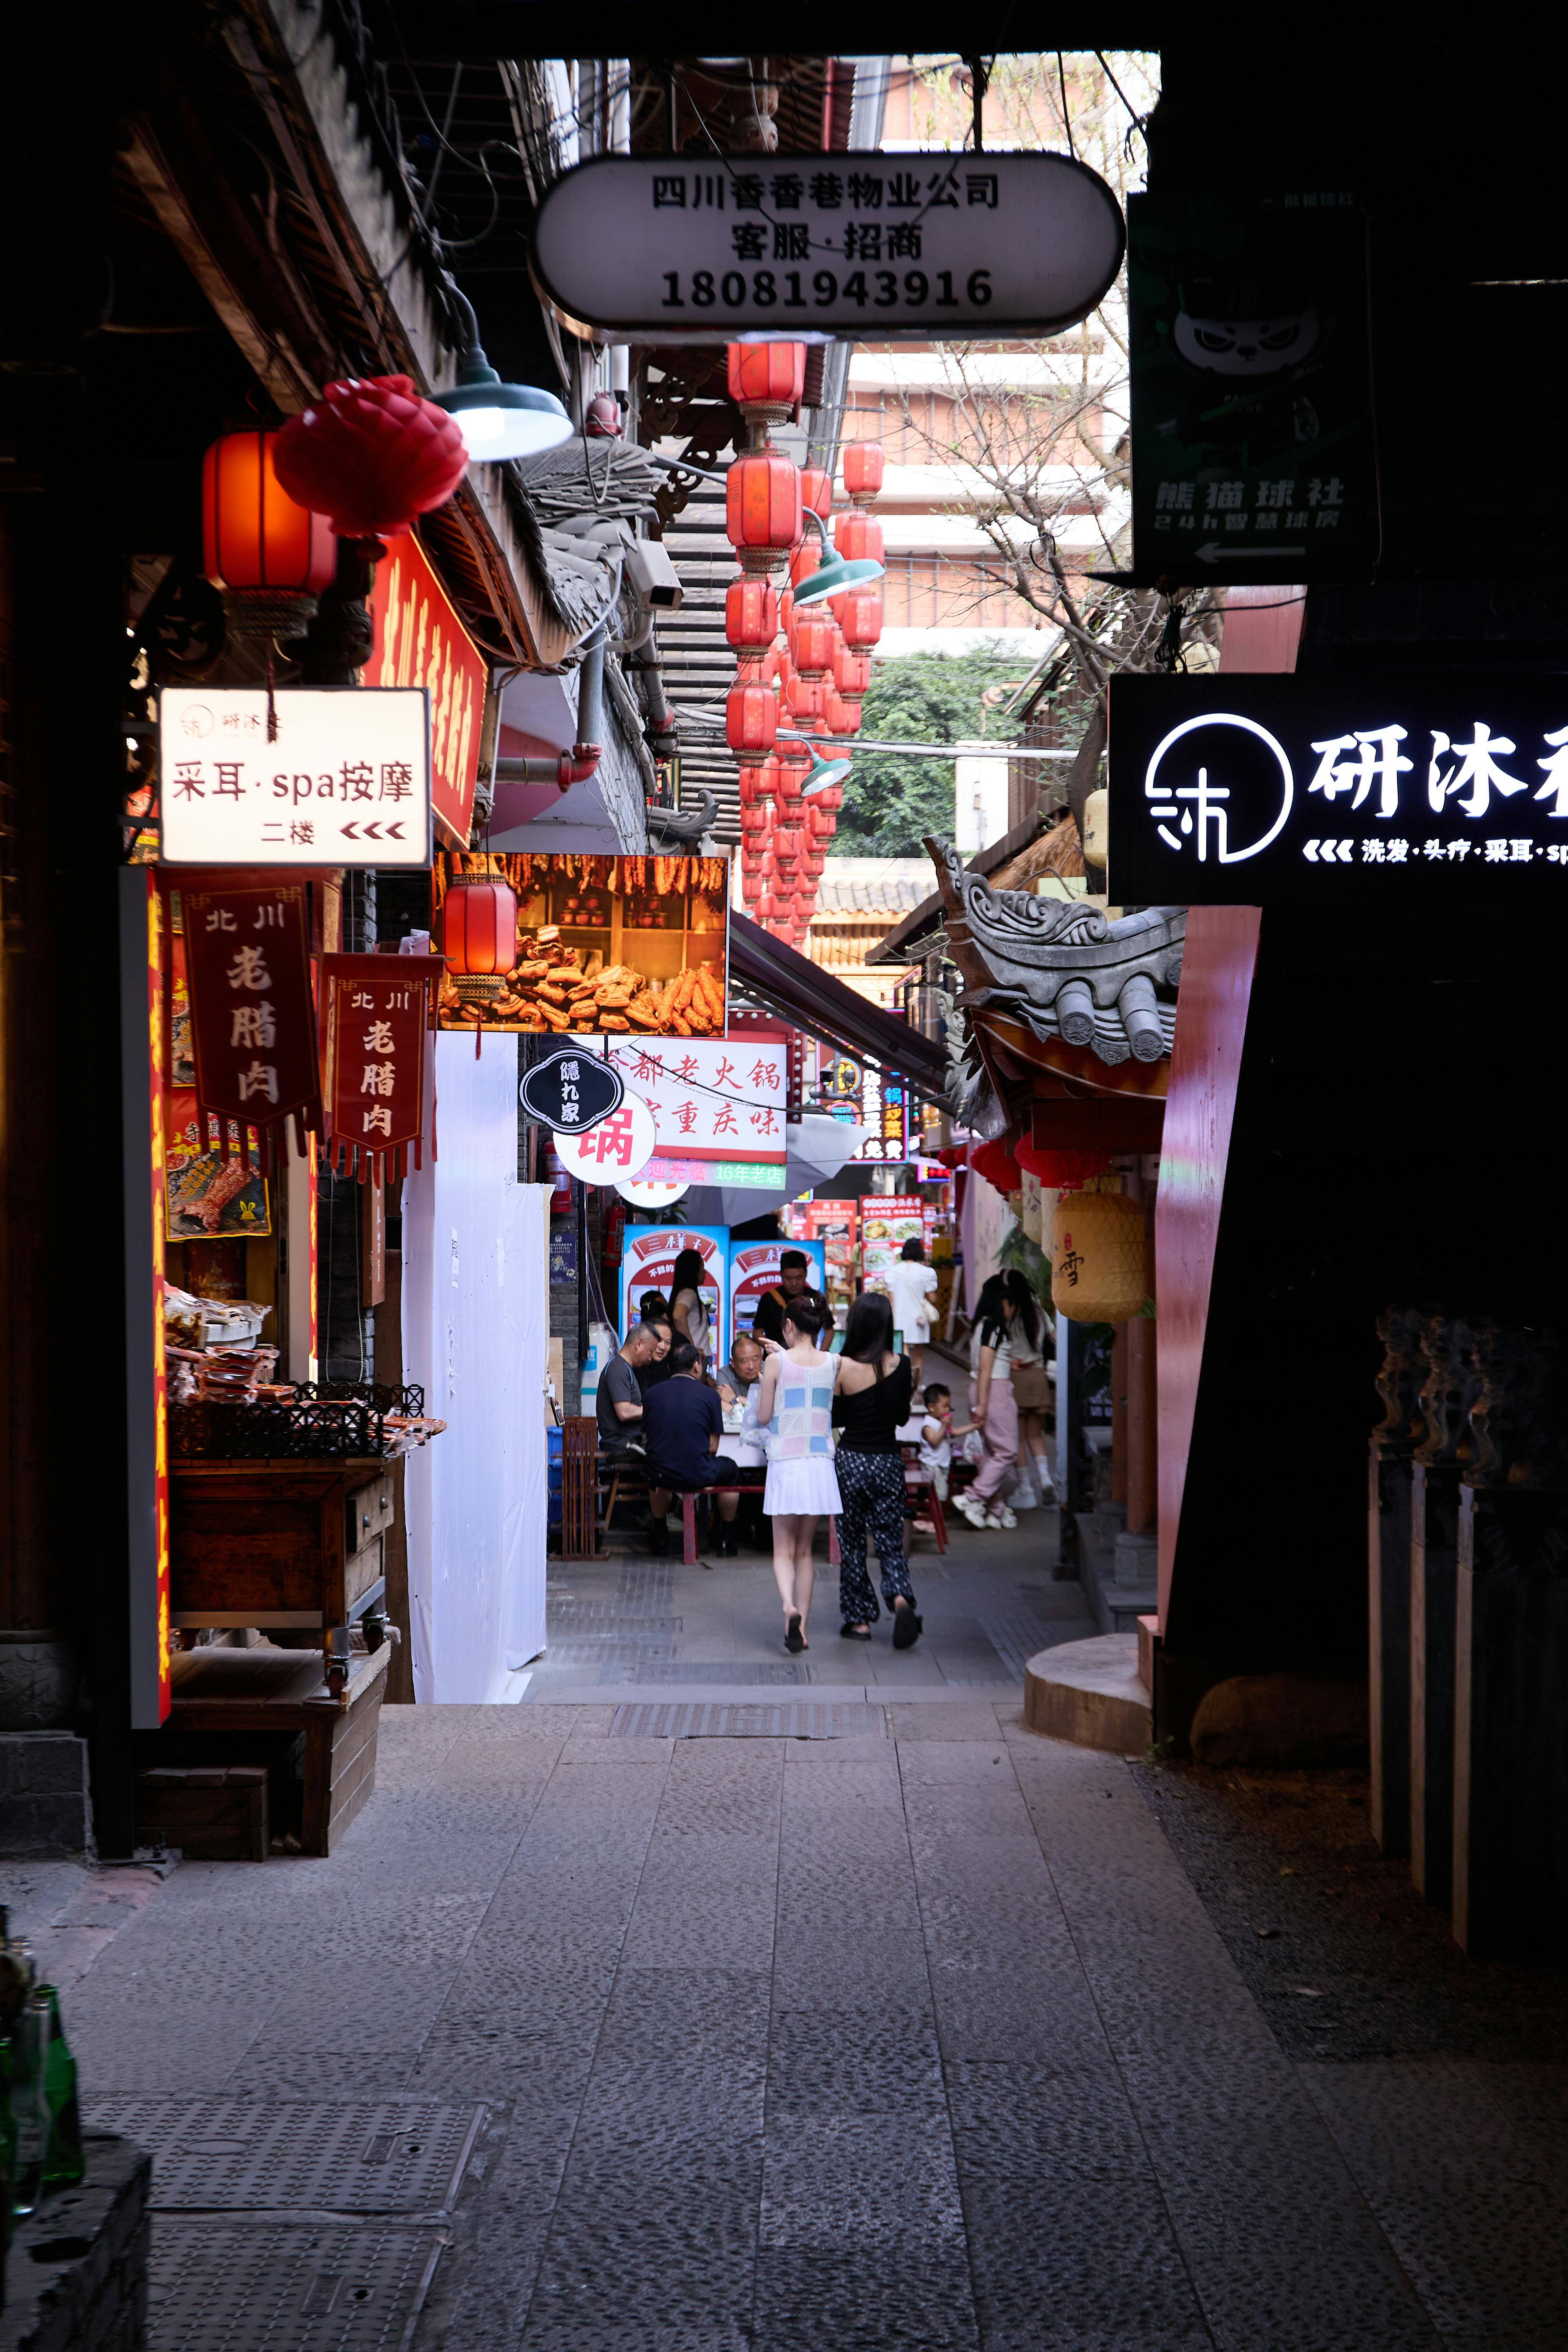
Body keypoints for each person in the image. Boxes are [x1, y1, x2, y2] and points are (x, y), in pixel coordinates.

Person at [833, 1291, 922, 1648]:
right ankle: (900, 1600)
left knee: (852, 1542)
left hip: (852, 1459)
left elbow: (837, 1419)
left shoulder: (842, 1367)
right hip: (888, 1461)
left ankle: (859, 1622)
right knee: (889, 1542)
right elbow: (901, 1418)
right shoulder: (902, 1365)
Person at [755, 1292, 840, 1653]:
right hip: (820, 1465)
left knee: (782, 1552)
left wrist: (772, 1366)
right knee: (806, 1553)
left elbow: (762, 1417)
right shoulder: (834, 1362)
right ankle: (802, 1630)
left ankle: (788, 1608)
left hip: (786, 1465)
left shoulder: (776, 1364)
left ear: (788, 1326)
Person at [642, 1341, 742, 1559]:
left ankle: (660, 1536)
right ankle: (726, 1539)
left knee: (653, 1473)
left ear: (669, 1368)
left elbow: (650, 1440)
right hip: (699, 1473)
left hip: (661, 1472)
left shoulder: (651, 1395)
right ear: (697, 1366)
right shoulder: (710, 1396)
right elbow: (713, 1447)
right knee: (732, 1470)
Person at [956, 1273, 1021, 1530]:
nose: (1013, 1310)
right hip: (994, 1391)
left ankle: (996, 1509)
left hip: (982, 1389)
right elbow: (986, 1367)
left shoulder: (980, 1325)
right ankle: (973, 1497)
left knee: (989, 1453)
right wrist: (984, 1404)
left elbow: (984, 1365)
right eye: (1011, 1304)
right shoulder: (994, 1327)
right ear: (1002, 1302)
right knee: (1007, 1451)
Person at [1003, 1270, 1056, 1506]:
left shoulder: (1010, 1313)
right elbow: (1054, 1337)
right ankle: (1045, 1479)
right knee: (1036, 1435)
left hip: (1016, 1376)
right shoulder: (1039, 1311)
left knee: (1019, 1437)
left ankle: (1026, 1489)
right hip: (1039, 1375)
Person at [884, 1237, 940, 1384]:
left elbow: (891, 1300)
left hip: (899, 1317)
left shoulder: (892, 1272)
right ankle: (916, 1388)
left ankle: (903, 1386)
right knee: (918, 1356)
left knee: (903, 1353)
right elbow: (933, 1298)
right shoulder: (927, 1272)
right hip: (919, 1318)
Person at [597, 1323, 656, 1457]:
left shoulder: (625, 1367)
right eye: (651, 1351)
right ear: (639, 1344)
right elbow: (624, 1412)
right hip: (623, 1446)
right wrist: (655, 1409)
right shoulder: (618, 1369)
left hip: (629, 1443)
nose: (650, 1358)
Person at [751, 1249, 813, 1348]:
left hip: (809, 1358)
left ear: (806, 1274)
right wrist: (775, 1349)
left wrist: (820, 1352)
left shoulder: (815, 1297)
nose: (794, 1283)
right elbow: (757, 1333)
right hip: (777, 1358)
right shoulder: (769, 1298)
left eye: (799, 1278)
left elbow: (829, 1330)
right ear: (781, 1275)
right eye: (789, 1278)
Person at [667, 1248, 713, 1365]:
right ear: (694, 1270)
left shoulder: (682, 1293)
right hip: (695, 1360)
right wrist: (691, 1347)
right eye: (702, 1266)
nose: (705, 1271)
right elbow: (678, 1316)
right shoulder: (689, 1294)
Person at [717, 1329, 765, 1412]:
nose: (751, 1366)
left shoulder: (770, 1370)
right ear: (733, 1363)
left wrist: (735, 1399)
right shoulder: (725, 1373)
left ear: (761, 1358)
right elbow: (724, 1405)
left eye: (755, 1359)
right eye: (744, 1361)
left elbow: (770, 1409)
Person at [637, 1310, 676, 1397]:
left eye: (668, 1342)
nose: (663, 1347)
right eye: (659, 1340)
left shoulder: (666, 1370)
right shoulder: (634, 1368)